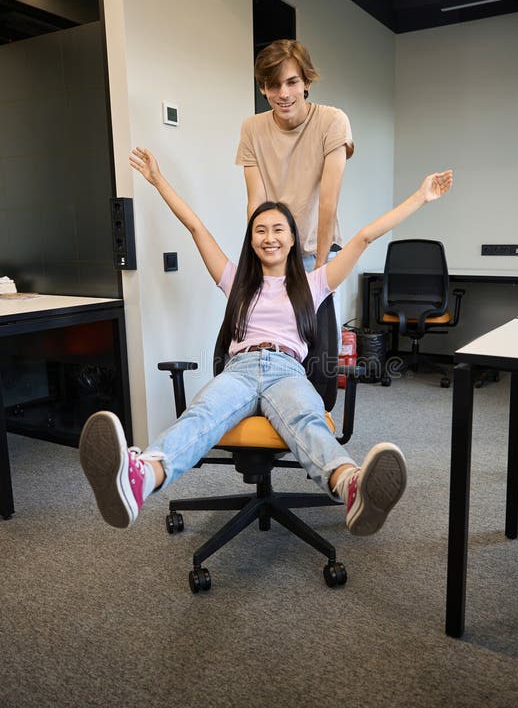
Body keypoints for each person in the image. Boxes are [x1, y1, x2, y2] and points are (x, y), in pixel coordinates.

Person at [79, 147, 453, 536]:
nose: (269, 237)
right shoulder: (235, 280)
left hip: (287, 372)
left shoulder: (315, 283)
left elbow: (364, 237)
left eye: (278, 229)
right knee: (202, 415)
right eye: (260, 230)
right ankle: (139, 479)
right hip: (239, 371)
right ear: (251, 240)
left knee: (307, 420)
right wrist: (157, 180)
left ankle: (351, 487)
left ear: (292, 239)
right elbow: (195, 227)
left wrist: (420, 196)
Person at [236, 39, 353, 272]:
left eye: (292, 82)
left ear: (306, 82)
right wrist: (258, 261)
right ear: (263, 88)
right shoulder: (252, 128)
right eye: (274, 85)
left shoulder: (332, 121)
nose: (284, 94)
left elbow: (328, 201)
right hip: (275, 254)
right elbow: (256, 203)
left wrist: (320, 267)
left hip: (318, 251)